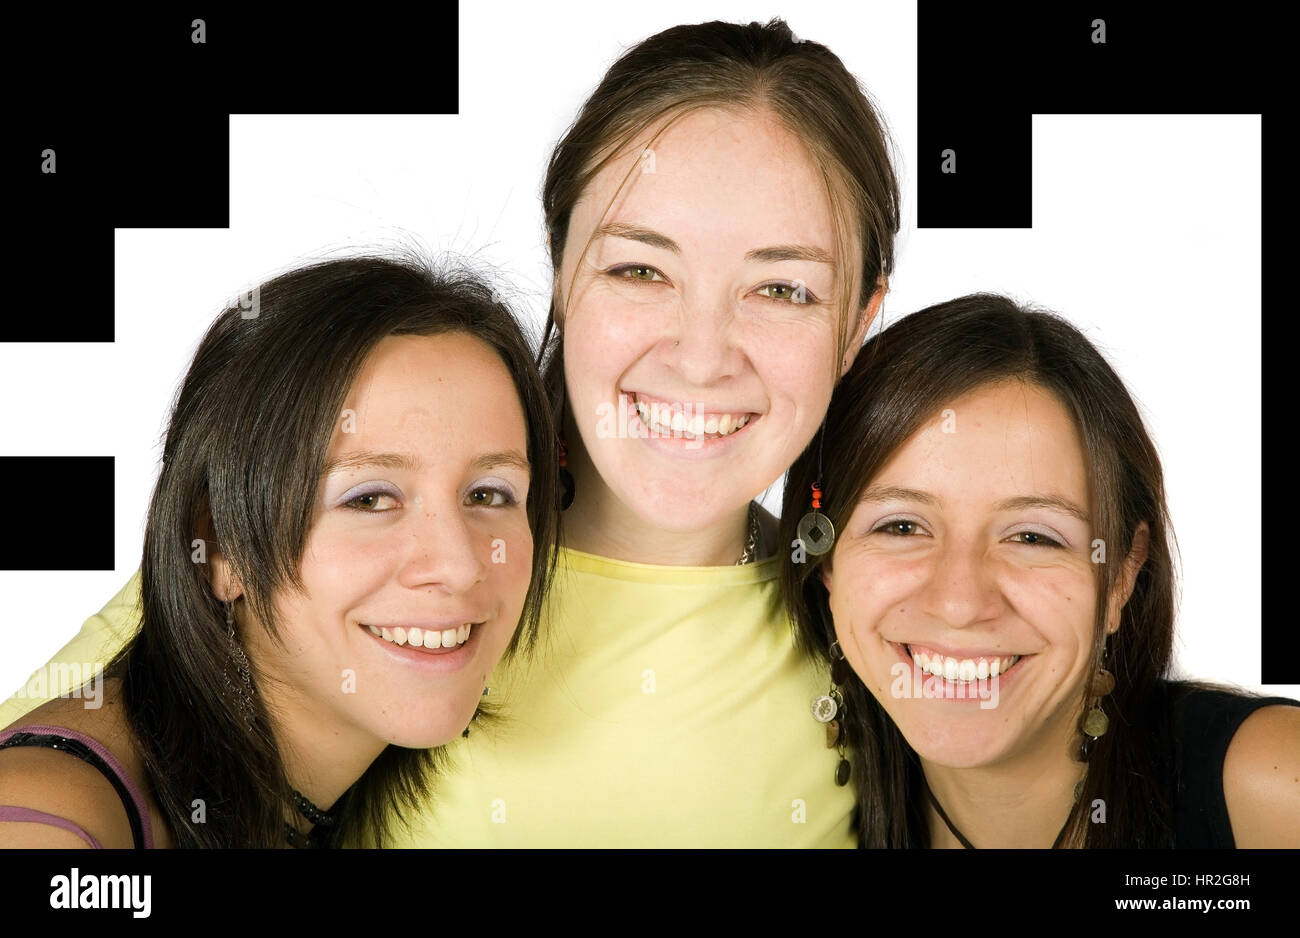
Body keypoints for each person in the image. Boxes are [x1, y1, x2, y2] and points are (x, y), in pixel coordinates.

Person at [0, 18, 900, 846]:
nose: (703, 358)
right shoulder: (327, 538)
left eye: (783, 289)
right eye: (639, 268)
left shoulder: (880, 632)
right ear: (559, 272)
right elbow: (75, 769)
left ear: (857, 322)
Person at [0, 255, 558, 847]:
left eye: (488, 493)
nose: (459, 565)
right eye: (370, 499)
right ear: (220, 547)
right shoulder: (51, 815)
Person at [780, 293, 1300, 848]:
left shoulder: (1270, 785)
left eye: (1032, 537)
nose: (959, 602)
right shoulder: (797, 817)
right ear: (826, 558)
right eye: (901, 527)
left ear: (1122, 573)